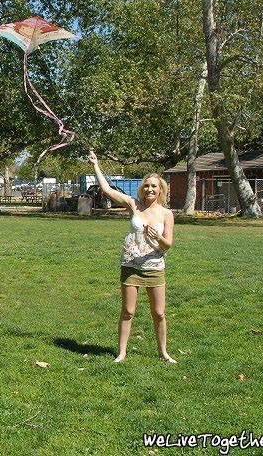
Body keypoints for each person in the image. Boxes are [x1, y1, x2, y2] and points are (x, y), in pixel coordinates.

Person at [87, 150, 176, 364]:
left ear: (160, 190)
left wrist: (157, 237)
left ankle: (163, 352)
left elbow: (168, 244)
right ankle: (122, 353)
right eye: (146, 185)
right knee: (128, 311)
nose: (149, 189)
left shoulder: (167, 214)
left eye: (154, 186)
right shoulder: (133, 205)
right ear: (142, 188)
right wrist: (96, 165)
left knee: (159, 313)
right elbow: (107, 190)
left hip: (154, 266)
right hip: (131, 265)